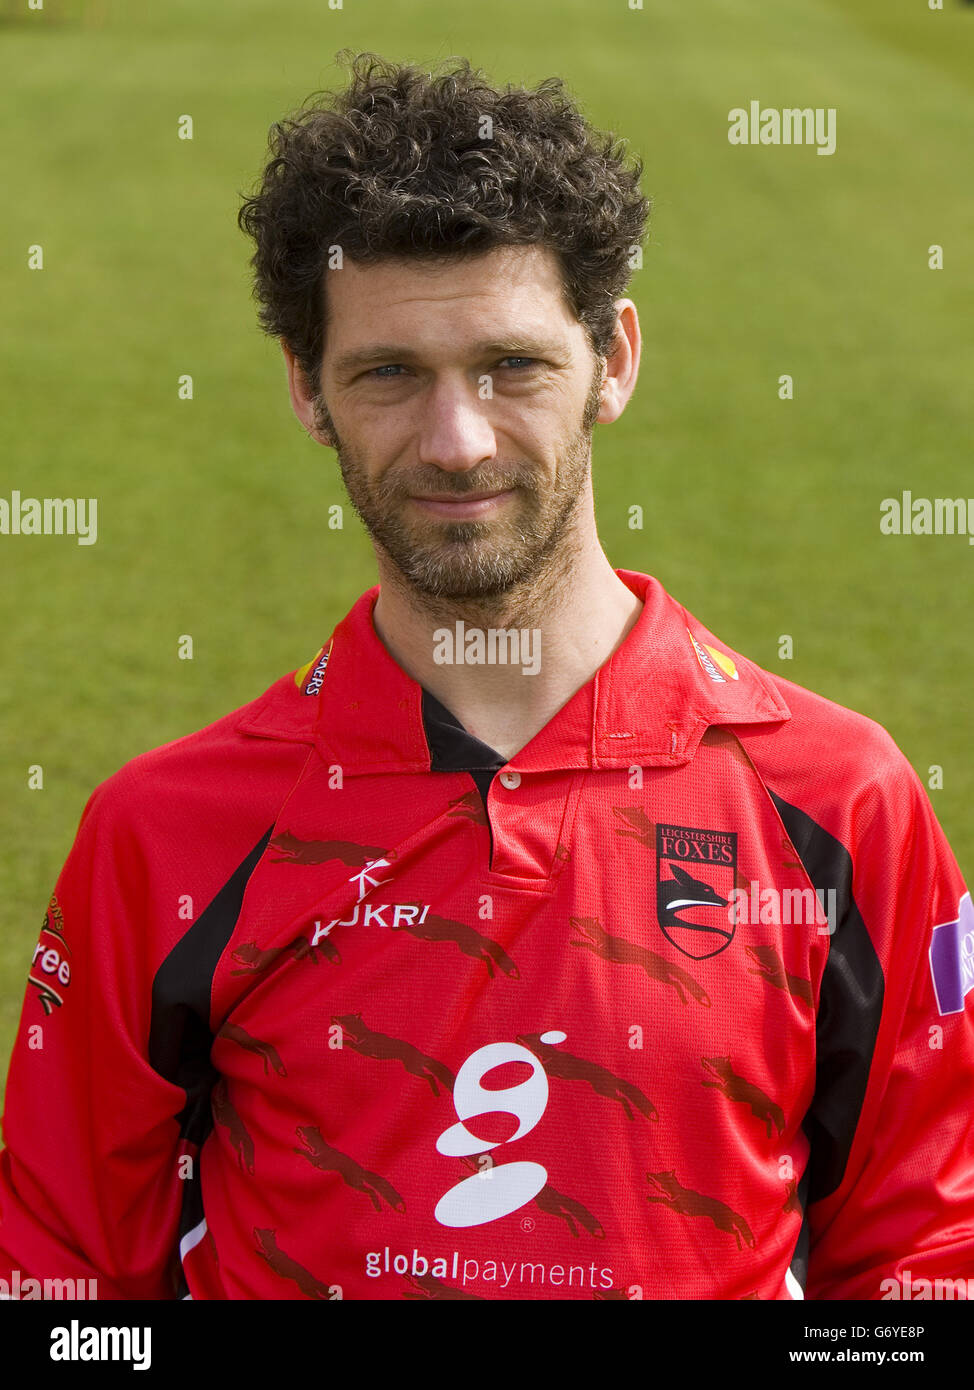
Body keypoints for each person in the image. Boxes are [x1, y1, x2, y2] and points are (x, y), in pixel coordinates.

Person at [1, 51, 972, 1303]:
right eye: (388, 373)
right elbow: (60, 1287)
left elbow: (925, 1254)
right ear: (307, 389)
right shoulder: (165, 839)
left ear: (611, 359)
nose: (455, 443)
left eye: (510, 366)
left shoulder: (838, 803)